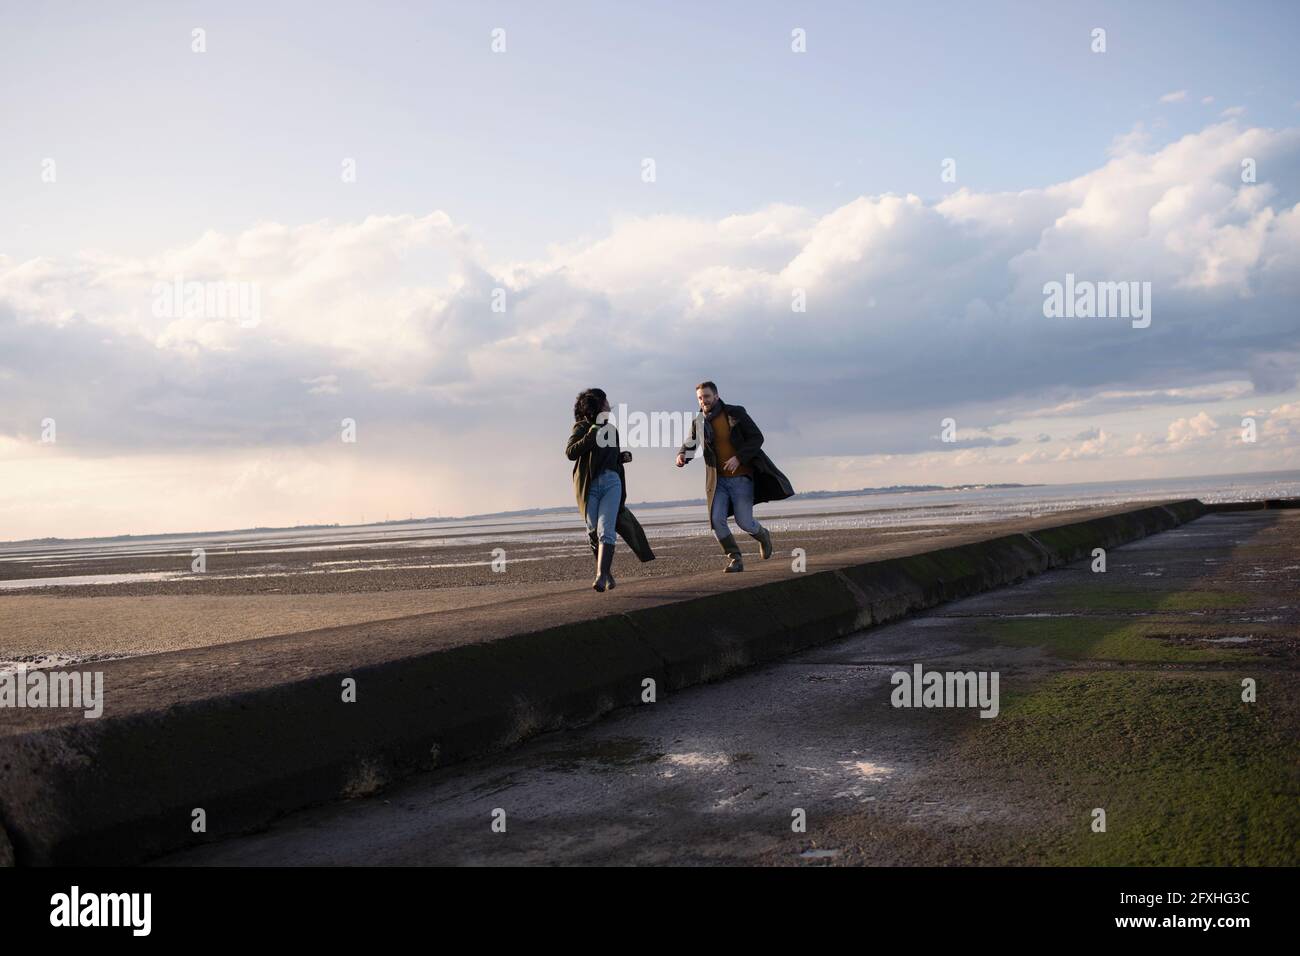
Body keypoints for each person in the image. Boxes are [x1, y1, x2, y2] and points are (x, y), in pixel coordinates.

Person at [675, 381, 793, 572]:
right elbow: (691, 443)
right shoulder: (699, 421)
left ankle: (763, 535)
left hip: (742, 478)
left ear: (716, 396)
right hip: (718, 481)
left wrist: (739, 458)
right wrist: (682, 455)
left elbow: (757, 437)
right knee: (716, 521)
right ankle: (735, 559)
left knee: (744, 522)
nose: (703, 401)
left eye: (706, 396)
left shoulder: (735, 413)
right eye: (699, 398)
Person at [566, 388, 655, 591]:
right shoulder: (581, 427)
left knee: (606, 529)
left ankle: (600, 575)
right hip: (589, 486)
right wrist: (592, 432)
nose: (609, 405)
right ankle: (607, 573)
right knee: (592, 531)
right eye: (605, 402)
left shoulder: (612, 430)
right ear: (596, 405)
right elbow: (571, 452)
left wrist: (621, 457)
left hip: (612, 482)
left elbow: (609, 458)